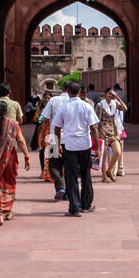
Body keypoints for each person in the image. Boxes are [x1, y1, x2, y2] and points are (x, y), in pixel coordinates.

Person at [53, 81, 99, 216]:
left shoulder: (63, 108)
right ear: (80, 92)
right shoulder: (87, 106)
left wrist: (57, 145)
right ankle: (86, 204)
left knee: (71, 177)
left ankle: (75, 207)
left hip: (70, 145)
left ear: (68, 92)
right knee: (86, 175)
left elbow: (57, 127)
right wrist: (97, 147)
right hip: (85, 144)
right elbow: (94, 128)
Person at [39, 85, 71, 200]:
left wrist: (42, 136)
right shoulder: (75, 102)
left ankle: (60, 187)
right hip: (70, 139)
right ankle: (67, 191)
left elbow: (44, 119)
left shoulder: (53, 100)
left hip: (53, 138)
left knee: (53, 165)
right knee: (69, 166)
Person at [96, 88, 123, 182]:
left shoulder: (115, 103)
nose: (111, 95)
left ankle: (109, 170)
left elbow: (124, 108)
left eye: (112, 93)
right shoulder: (100, 105)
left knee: (117, 152)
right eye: (109, 93)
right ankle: (104, 176)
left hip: (113, 130)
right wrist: (96, 134)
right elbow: (96, 120)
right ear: (105, 94)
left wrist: (118, 98)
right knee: (104, 155)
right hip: (103, 131)